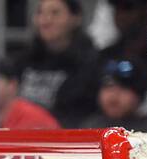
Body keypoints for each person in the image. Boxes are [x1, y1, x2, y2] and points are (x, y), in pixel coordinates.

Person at [15, 0, 102, 128]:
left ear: (76, 18)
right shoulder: (23, 59)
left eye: (55, 13)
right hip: (21, 133)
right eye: (40, 13)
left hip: (67, 137)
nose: (45, 21)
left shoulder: (91, 63)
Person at [82, 57, 147, 129]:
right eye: (107, 87)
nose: (113, 95)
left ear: (140, 94)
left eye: (123, 87)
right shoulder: (91, 127)